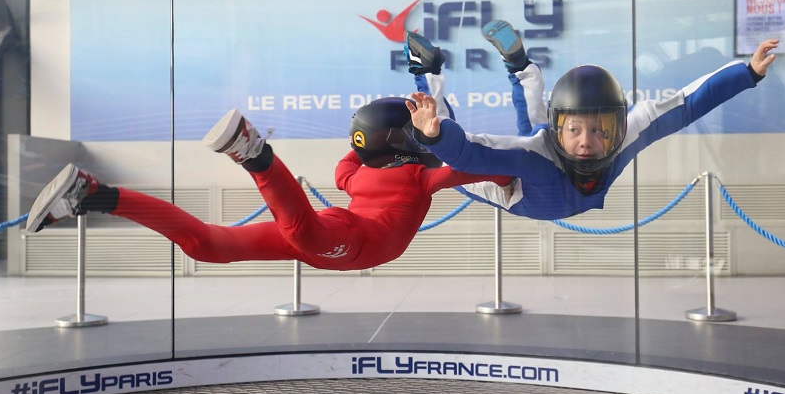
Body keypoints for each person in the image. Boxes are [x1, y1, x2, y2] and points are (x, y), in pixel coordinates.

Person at [25, 99, 511, 271]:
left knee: (206, 248)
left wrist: (518, 173)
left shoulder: (381, 172)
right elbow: (482, 165)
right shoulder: (421, 173)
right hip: (347, 239)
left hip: (345, 236)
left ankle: (93, 195)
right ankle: (254, 155)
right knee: (225, 242)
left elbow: (482, 163)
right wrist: (512, 172)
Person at [404, 21, 780, 221]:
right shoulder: (538, 150)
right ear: (561, 128)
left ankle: (518, 69)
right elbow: (468, 153)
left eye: (600, 131)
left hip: (539, 178)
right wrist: (435, 135)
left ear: (617, 128)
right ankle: (429, 72)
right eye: (575, 130)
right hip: (519, 193)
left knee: (530, 132)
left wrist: (748, 72)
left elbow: (689, 104)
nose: (587, 142)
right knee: (446, 158)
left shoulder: (621, 132)